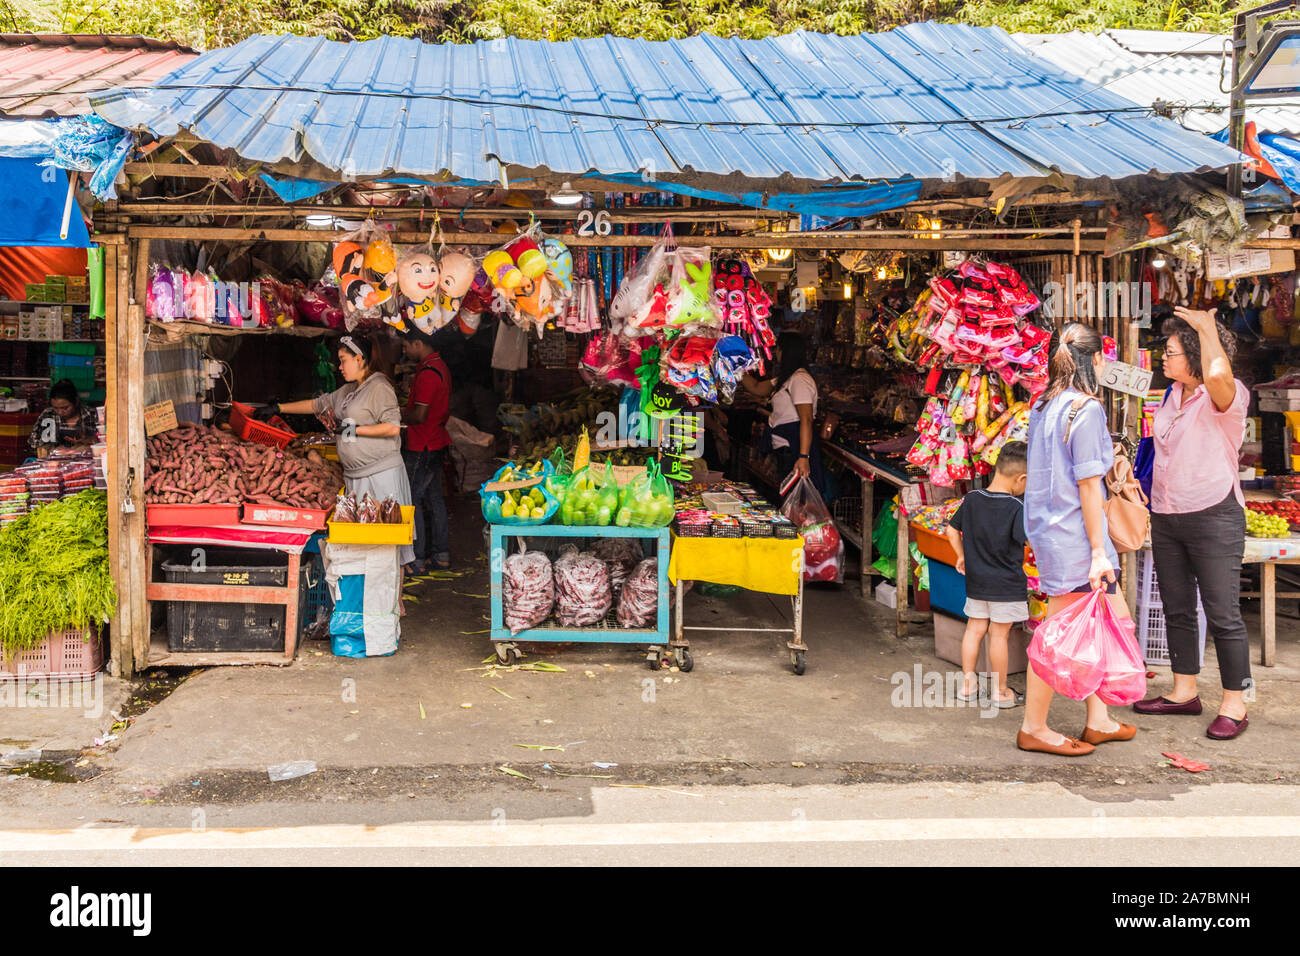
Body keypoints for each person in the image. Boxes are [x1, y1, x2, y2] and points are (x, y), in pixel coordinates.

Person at [1135, 307, 1252, 740]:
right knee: (1177, 609)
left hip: (1214, 514)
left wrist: (1205, 329)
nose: (1163, 358)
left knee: (1223, 615)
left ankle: (1235, 702)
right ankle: (1183, 691)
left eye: (1171, 352)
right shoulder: (1171, 394)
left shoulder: (1226, 395)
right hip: (1167, 514)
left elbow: (1218, 375)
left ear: (1197, 358)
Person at [1021, 322, 1137, 756]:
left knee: (1100, 621)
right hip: (1077, 538)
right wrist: (1095, 554)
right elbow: (1089, 487)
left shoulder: (1043, 405)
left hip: (1054, 532)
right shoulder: (1085, 410)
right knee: (1059, 635)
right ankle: (1033, 727)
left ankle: (1099, 718)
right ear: (1098, 361)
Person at [258, 332, 414, 566]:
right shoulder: (349, 390)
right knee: (366, 547)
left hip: (381, 478)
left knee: (388, 546)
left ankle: (393, 602)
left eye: (343, 359)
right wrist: (278, 408)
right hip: (355, 477)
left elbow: (392, 427)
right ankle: (368, 598)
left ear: (359, 358)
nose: (339, 366)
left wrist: (354, 429)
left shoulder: (379, 387)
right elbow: (317, 404)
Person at [945, 440, 1029, 708]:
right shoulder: (1017, 508)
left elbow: (950, 529)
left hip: (977, 580)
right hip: (1006, 584)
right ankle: (1000, 691)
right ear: (1021, 478)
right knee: (999, 635)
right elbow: (1028, 542)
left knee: (974, 629)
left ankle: (968, 685)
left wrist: (961, 556)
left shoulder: (972, 499)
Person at [742, 332, 826, 493]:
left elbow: (806, 419)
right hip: (787, 446)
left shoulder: (799, 379)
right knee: (789, 494)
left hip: (796, 446)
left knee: (799, 497)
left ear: (785, 351)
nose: (776, 354)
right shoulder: (786, 379)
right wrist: (736, 368)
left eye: (778, 349)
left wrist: (803, 457)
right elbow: (756, 388)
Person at [401, 330, 452, 573]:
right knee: (433, 498)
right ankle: (441, 555)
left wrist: (395, 414)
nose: (404, 350)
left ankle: (416, 559)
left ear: (418, 343)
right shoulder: (439, 366)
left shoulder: (428, 374)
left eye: (406, 345)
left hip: (422, 443)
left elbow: (419, 415)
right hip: (436, 441)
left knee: (412, 500)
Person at [28, 380, 97, 458]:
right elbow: (34, 442)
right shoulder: (48, 414)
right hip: (54, 460)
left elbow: (104, 442)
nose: (60, 412)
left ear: (76, 401)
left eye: (65, 408)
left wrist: (86, 440)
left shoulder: (91, 415)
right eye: (56, 408)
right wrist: (56, 448)